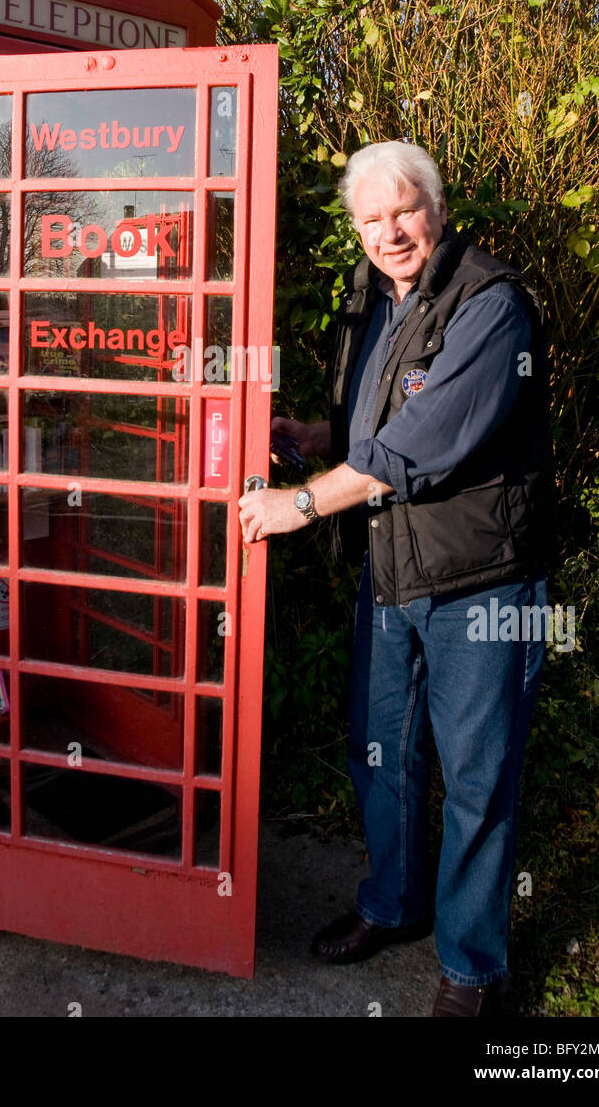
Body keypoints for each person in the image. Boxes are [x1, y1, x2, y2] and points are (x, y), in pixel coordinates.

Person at [238, 140, 555, 1017]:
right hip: (390, 573)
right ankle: (395, 904)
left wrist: (299, 505)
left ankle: (472, 966)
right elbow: (372, 423)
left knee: (478, 777)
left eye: (403, 211)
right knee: (382, 755)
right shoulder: (375, 300)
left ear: (438, 208)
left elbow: (417, 447)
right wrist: (309, 434)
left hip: (482, 583)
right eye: (370, 220)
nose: (389, 233)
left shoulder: (491, 305)